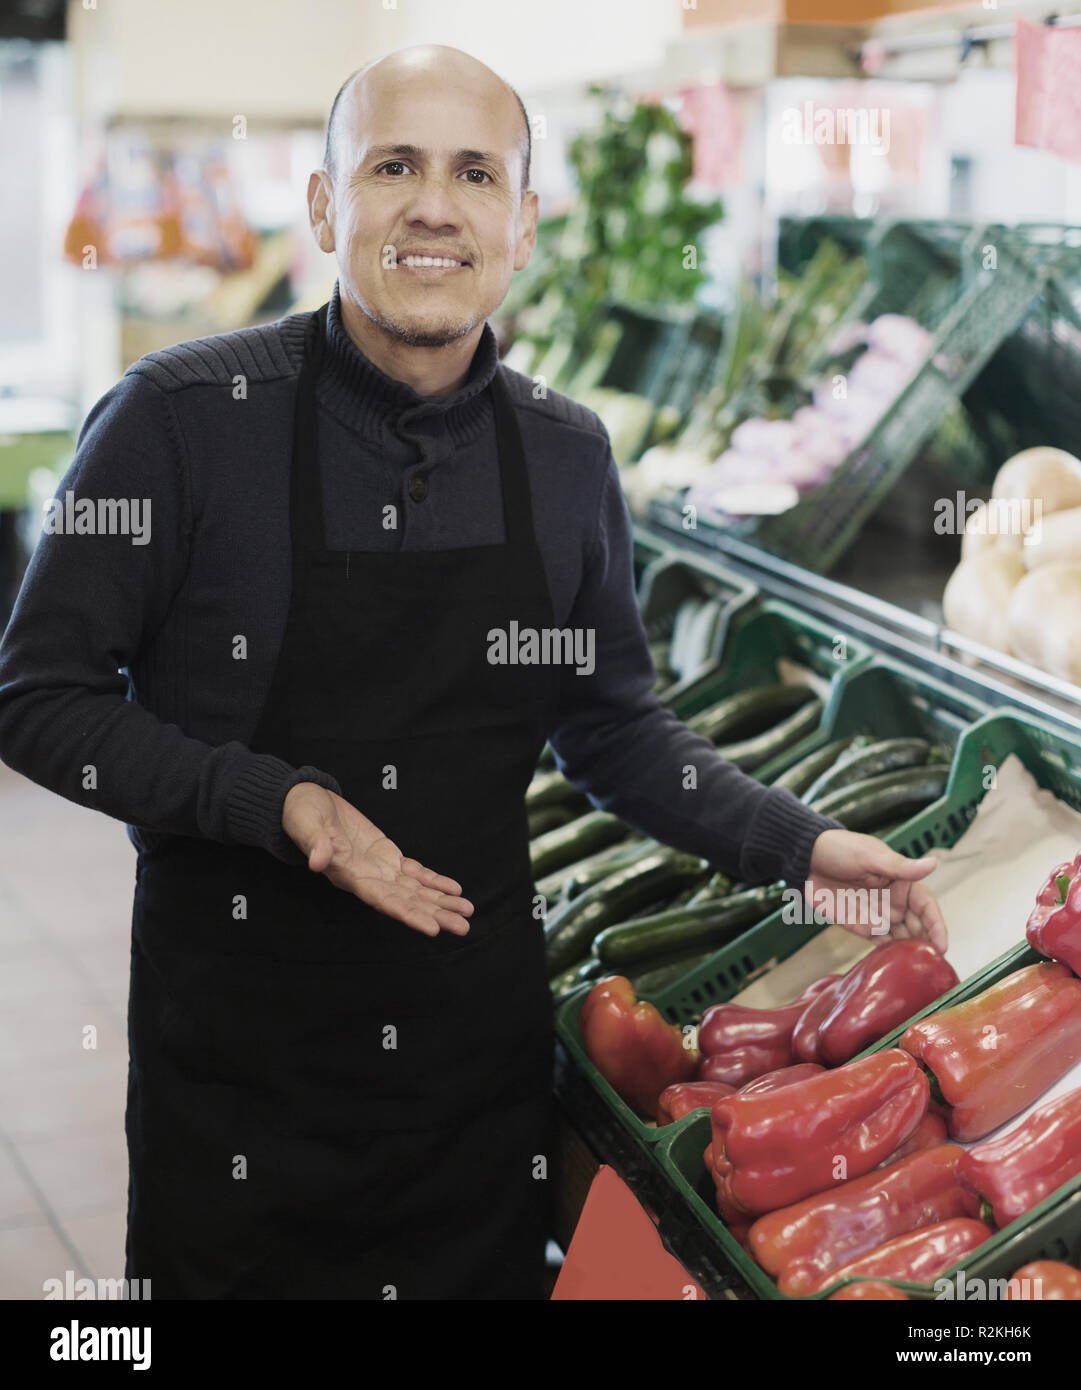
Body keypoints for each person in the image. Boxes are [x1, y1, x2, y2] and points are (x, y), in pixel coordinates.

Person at [0, 44, 946, 1301]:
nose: (435, 205)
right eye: (394, 166)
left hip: (470, 1077)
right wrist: (276, 802)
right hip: (239, 1088)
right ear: (329, 205)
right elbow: (37, 698)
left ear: (524, 221)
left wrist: (796, 841)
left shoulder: (565, 456)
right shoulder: (178, 422)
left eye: (474, 173)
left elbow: (609, 728)